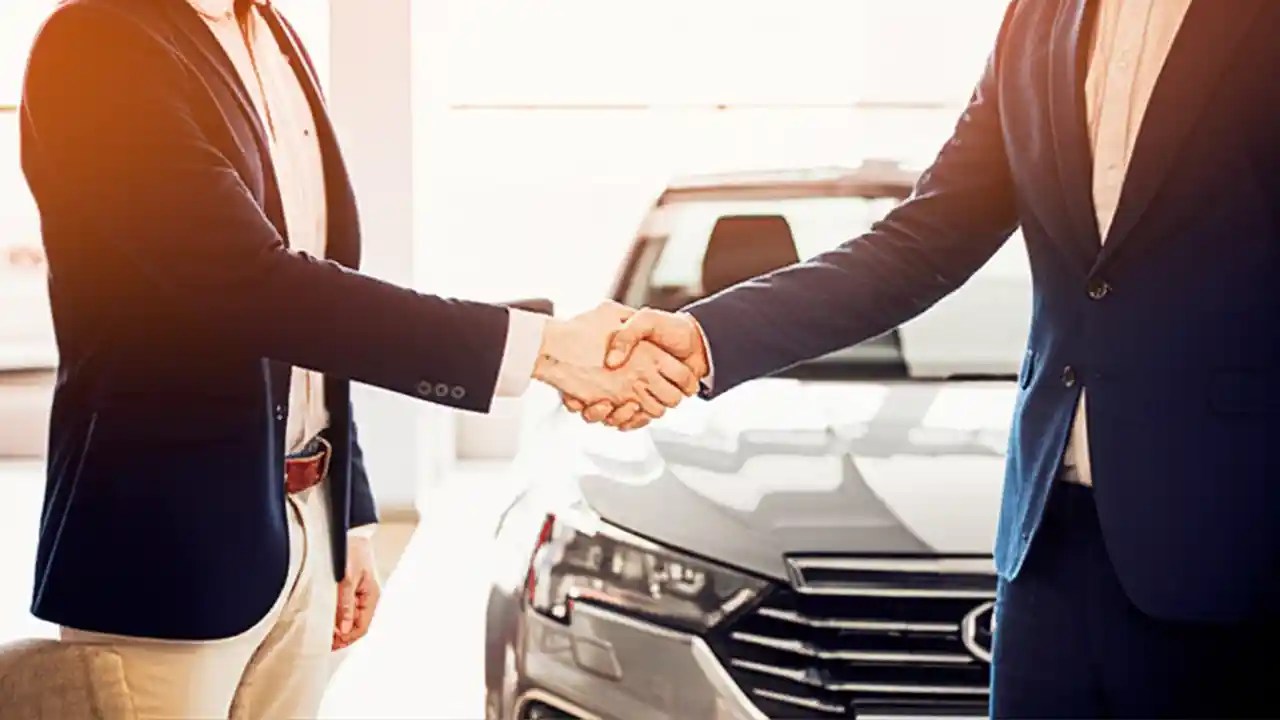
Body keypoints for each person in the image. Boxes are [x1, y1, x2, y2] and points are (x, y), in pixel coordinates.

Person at [582, 0, 1280, 716]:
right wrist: (704, 339)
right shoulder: (1037, 19)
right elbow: (923, 240)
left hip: (1234, 554)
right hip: (1045, 556)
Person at [18, 0, 697, 716]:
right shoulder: (99, 43)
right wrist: (543, 348)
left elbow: (318, 306)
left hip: (303, 530)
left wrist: (349, 515)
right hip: (164, 550)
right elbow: (252, 287)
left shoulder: (274, 37)